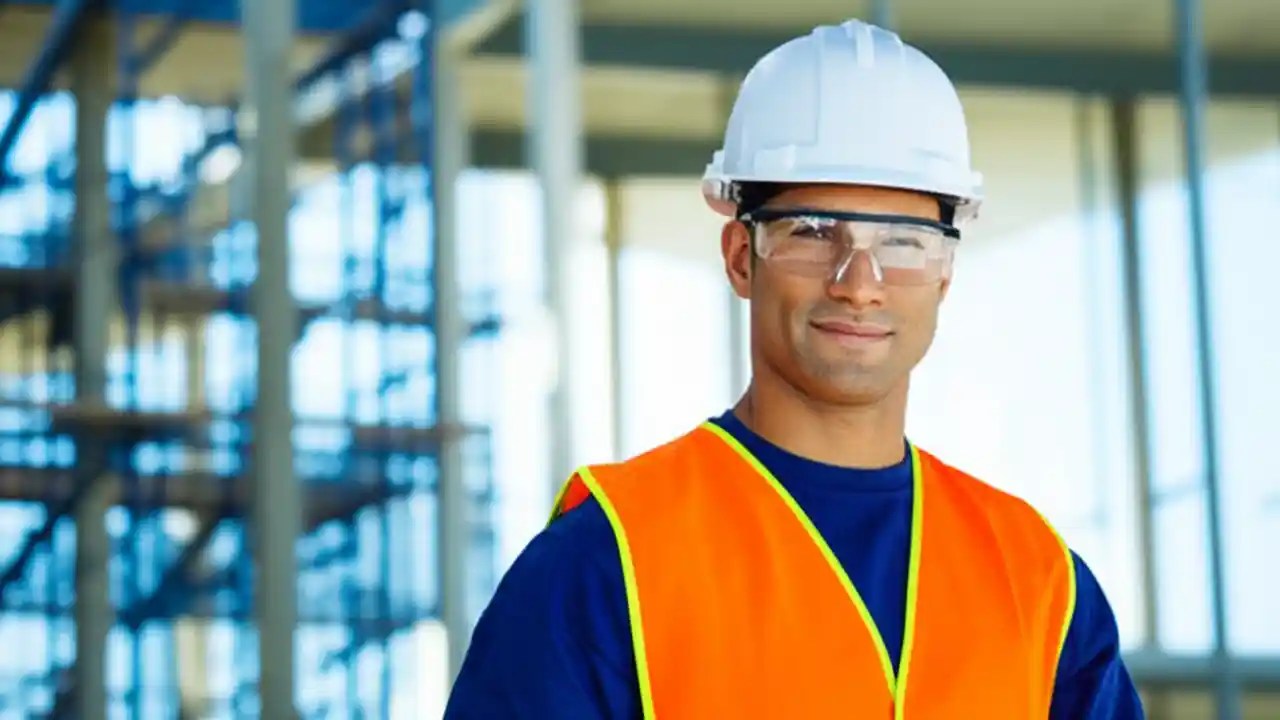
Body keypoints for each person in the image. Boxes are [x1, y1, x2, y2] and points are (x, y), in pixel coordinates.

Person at [445, 18, 1143, 719]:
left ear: (945, 273)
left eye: (904, 242)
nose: (859, 284)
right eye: (812, 233)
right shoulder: (606, 563)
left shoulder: (1039, 584)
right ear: (740, 257)